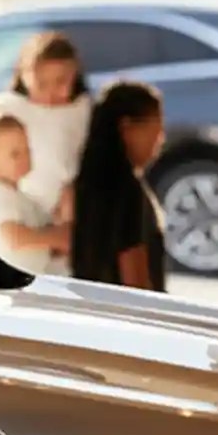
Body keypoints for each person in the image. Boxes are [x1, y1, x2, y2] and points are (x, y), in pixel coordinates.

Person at [0, 31, 91, 255]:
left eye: (61, 82)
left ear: (75, 73)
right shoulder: (0, 109)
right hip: (17, 222)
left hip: (61, 224)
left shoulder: (84, 112)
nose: (51, 92)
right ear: (23, 74)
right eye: (41, 84)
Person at [70, 81, 167, 291]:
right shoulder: (127, 190)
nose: (160, 141)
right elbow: (135, 278)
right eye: (156, 130)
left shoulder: (83, 184)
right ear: (127, 128)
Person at [0, 110, 72, 276]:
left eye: (27, 150)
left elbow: (46, 231)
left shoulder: (22, 199)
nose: (25, 158)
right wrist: (58, 238)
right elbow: (15, 238)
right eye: (15, 154)